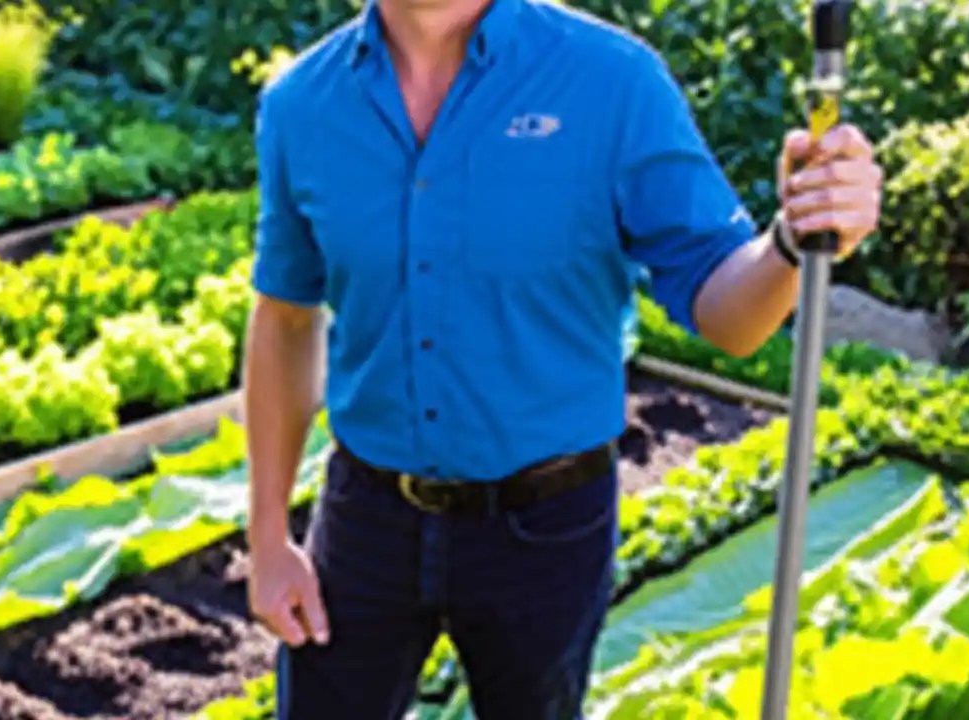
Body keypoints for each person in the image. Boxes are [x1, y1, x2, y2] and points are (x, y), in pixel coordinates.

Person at [240, 0, 883, 717]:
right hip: (367, 517)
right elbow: (286, 318)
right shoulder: (303, 104)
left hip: (544, 526)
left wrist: (794, 239)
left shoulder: (611, 82)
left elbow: (728, 317)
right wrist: (267, 535)